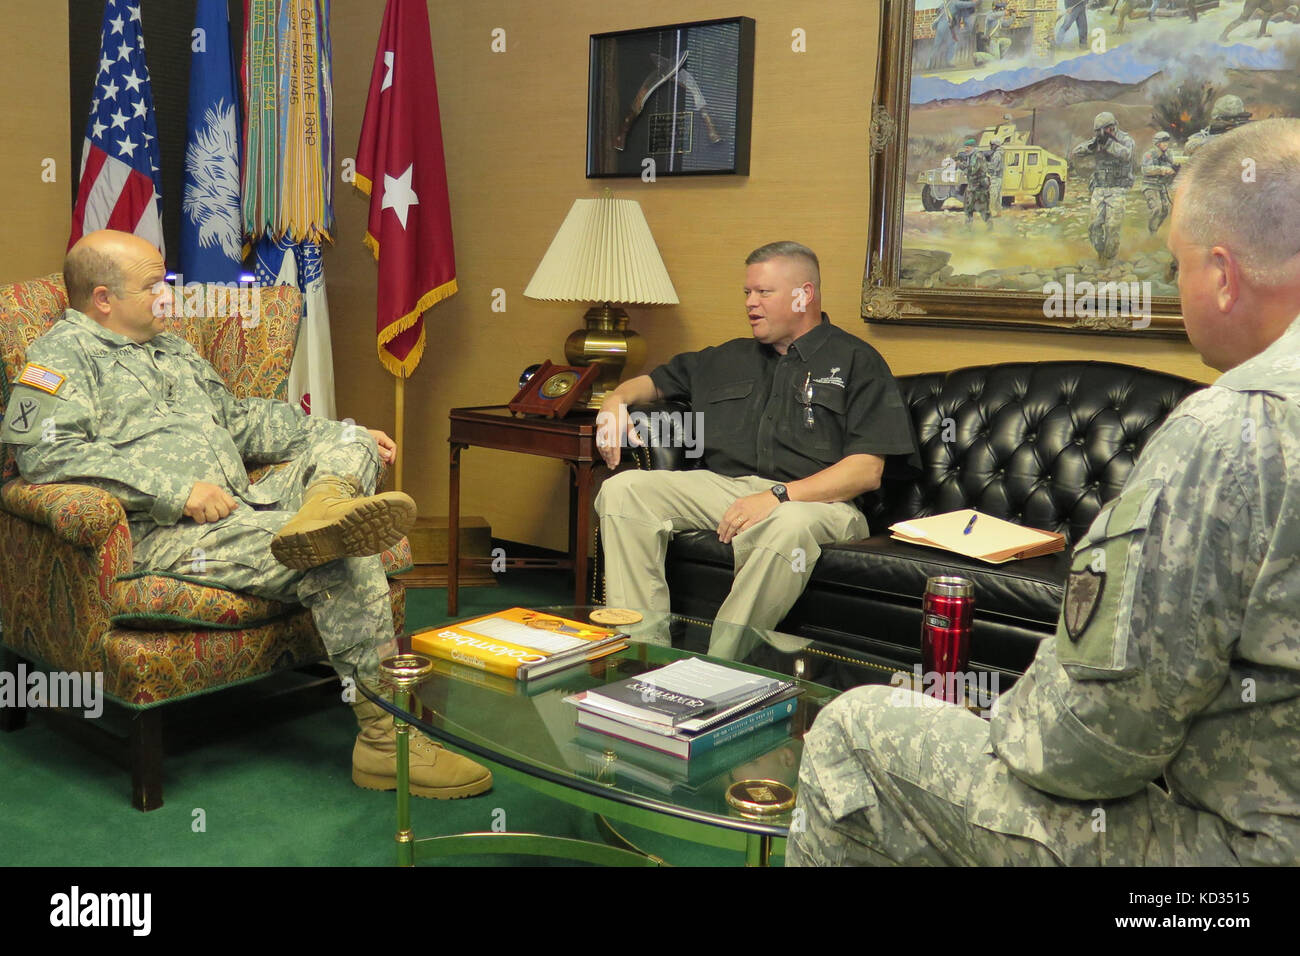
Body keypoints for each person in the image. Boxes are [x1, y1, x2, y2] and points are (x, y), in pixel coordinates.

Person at [788, 117, 1300, 866]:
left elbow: (1089, 744)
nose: (1177, 285)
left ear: (1221, 274)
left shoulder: (1233, 430)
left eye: (1178, 265)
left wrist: (997, 721)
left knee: (854, 731)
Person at [0, 229, 492, 800]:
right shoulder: (55, 356)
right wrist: (175, 490)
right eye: (153, 285)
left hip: (247, 505)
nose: (169, 297)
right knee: (341, 551)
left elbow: (241, 421)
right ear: (103, 297)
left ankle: (324, 506)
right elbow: (43, 454)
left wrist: (340, 434)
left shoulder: (172, 348)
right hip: (168, 533)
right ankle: (385, 744)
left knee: (352, 444)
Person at [594, 241, 917, 634]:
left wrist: (777, 497)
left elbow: (866, 472)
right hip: (728, 490)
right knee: (624, 490)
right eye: (747, 292)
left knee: (787, 524)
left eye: (764, 292)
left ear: (804, 295)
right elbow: (656, 383)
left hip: (819, 503)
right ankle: (642, 651)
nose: (751, 303)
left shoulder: (857, 361)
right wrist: (615, 400)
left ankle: (721, 670)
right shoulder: (726, 358)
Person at [1072, 111, 1135, 265]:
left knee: (1112, 227)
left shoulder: (1125, 140)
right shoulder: (1098, 140)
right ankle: (1100, 253)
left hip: (1117, 188)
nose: (1103, 133)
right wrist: (1092, 146)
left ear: (1113, 127)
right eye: (1099, 131)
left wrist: (1108, 144)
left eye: (1105, 129)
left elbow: (1126, 155)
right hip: (1099, 188)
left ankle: (1110, 258)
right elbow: (1076, 152)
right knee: (1094, 225)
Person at [1185, 94, 1253, 154]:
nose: (1234, 122)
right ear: (1219, 119)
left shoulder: (1250, 132)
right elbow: (1189, 147)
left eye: (1239, 118)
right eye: (1229, 119)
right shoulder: (1211, 134)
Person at [1140, 130, 1179, 233]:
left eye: (1167, 142)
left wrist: (1174, 169)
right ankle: (1151, 232)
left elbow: (1171, 168)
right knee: (1156, 208)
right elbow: (1146, 170)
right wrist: (1162, 170)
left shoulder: (1169, 154)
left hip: (1162, 186)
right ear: (1157, 143)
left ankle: (1155, 228)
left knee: (1165, 210)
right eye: (1163, 142)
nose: (1166, 144)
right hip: (1150, 185)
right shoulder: (1149, 155)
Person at [984, 138, 1006, 217]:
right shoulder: (1001, 153)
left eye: (992, 145)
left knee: (993, 195)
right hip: (999, 177)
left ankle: (991, 211)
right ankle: (998, 212)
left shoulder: (997, 154)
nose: (991, 146)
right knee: (998, 197)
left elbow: (993, 166)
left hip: (995, 177)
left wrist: (986, 164)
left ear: (995, 145)